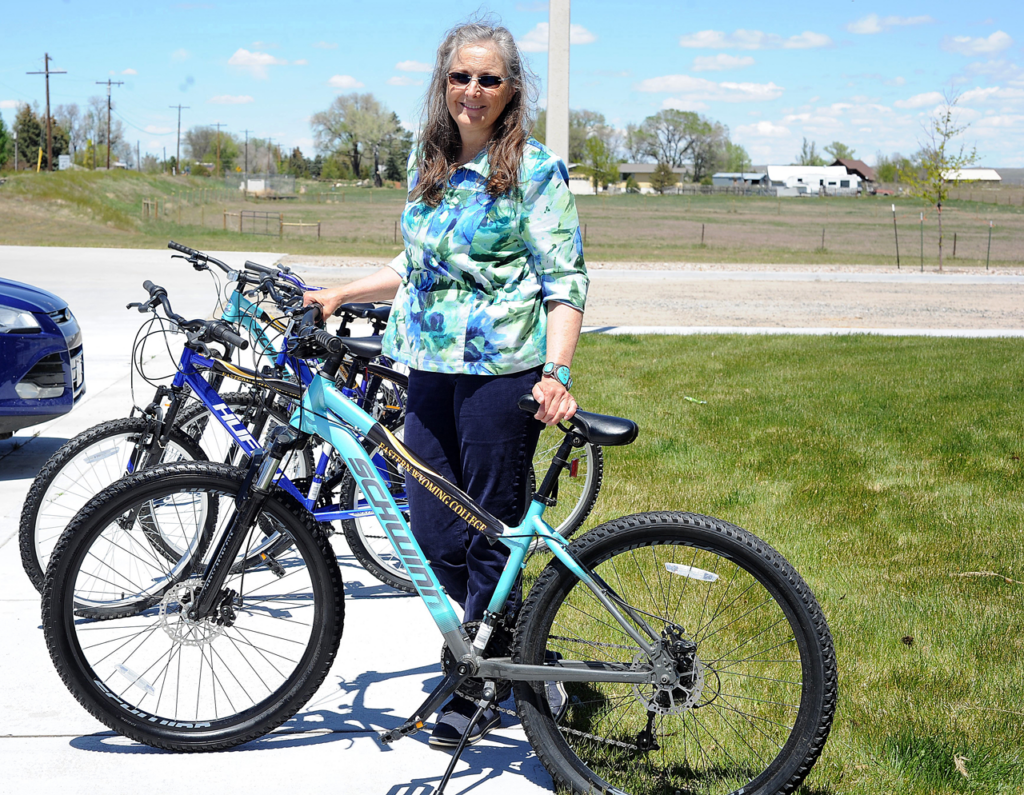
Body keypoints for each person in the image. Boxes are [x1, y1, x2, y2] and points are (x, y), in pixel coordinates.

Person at [304, 19, 587, 746]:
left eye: (489, 79)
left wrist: (556, 372)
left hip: (501, 372)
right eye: (461, 76)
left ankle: (480, 677)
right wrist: (341, 292)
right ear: (444, 81)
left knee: (492, 523)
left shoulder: (536, 171)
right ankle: (512, 641)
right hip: (426, 366)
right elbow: (414, 264)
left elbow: (565, 280)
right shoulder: (426, 159)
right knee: (430, 530)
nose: (473, 91)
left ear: (511, 90)